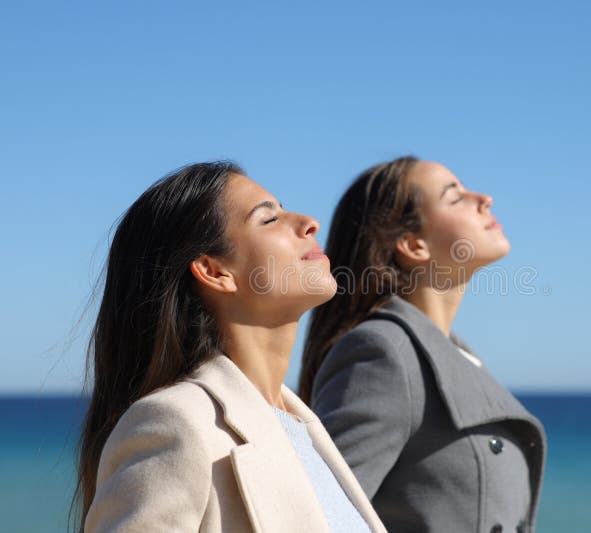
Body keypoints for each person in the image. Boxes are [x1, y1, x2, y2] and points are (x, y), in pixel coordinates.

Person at [73, 161, 386, 533]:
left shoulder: (303, 427)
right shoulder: (174, 423)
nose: (309, 223)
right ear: (214, 271)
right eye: (268, 219)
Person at [299, 156, 546, 533]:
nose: (485, 198)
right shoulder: (384, 352)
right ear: (413, 245)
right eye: (454, 196)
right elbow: (318, 518)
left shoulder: (455, 355)